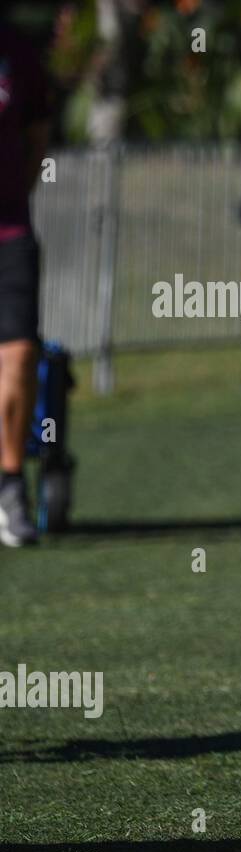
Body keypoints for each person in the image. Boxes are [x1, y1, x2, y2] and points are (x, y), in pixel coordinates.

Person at [0, 19, 52, 548]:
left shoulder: (17, 49)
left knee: (18, 356)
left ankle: (11, 487)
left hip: (9, 232)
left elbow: (38, 134)